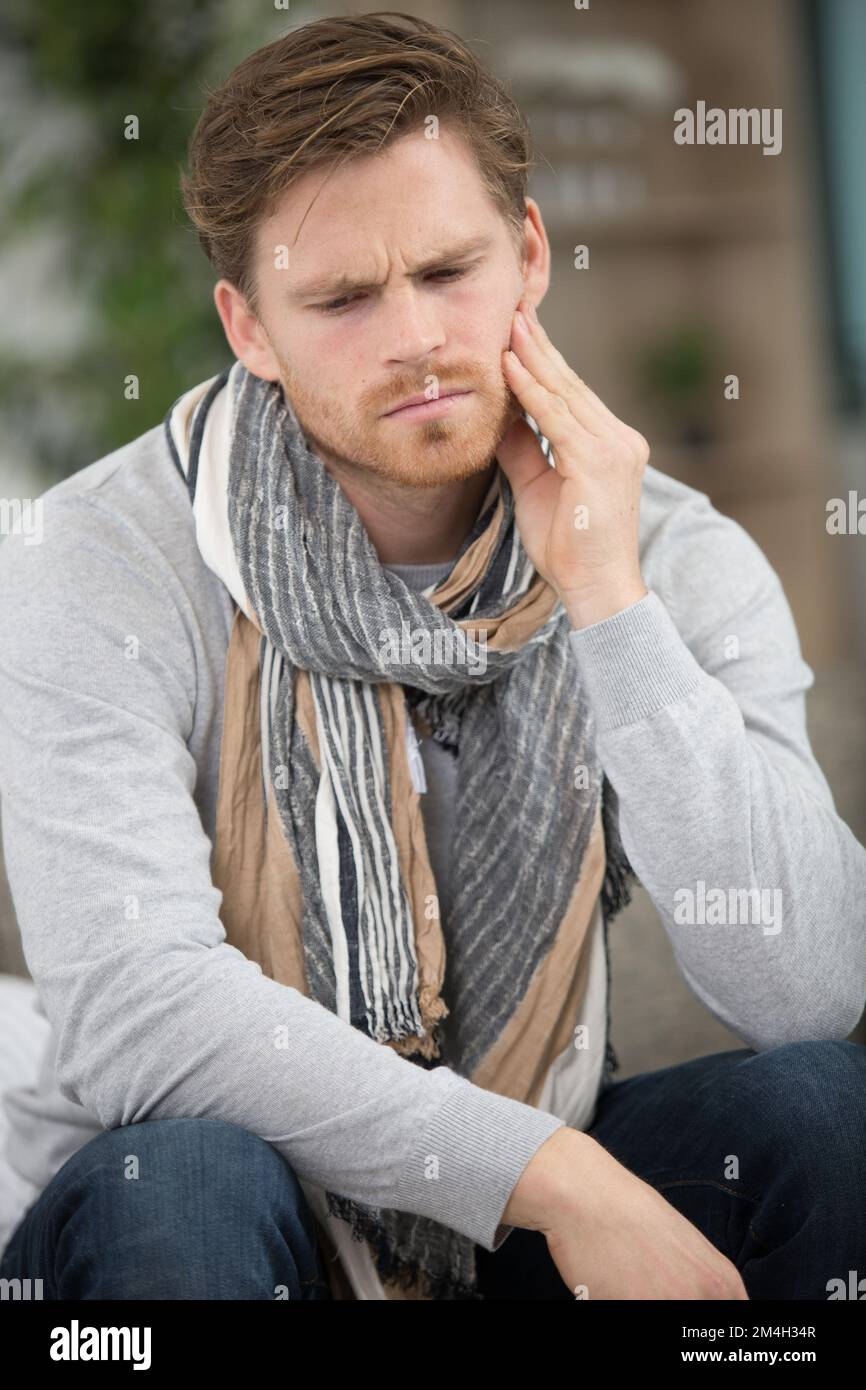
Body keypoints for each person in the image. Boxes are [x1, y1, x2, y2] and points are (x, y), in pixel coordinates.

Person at [1, 12, 864, 1301]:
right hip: (214, 1227)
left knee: (824, 1112)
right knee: (181, 1183)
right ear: (249, 328)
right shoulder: (100, 559)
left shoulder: (666, 552)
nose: (414, 338)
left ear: (529, 256)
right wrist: (550, 1176)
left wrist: (610, 604)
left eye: (450, 270)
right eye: (342, 299)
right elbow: (138, 1014)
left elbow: (809, 993)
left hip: (516, 1231)